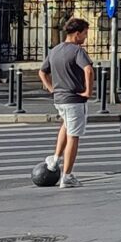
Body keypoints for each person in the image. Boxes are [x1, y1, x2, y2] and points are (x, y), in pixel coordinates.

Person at [41, 16, 93, 188]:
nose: (85, 37)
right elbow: (89, 70)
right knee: (74, 136)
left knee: (65, 125)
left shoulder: (54, 50)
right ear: (77, 34)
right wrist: (88, 90)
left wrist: (51, 88)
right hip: (74, 99)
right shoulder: (77, 51)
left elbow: (42, 72)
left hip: (59, 99)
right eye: (85, 34)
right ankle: (67, 175)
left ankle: (55, 159)